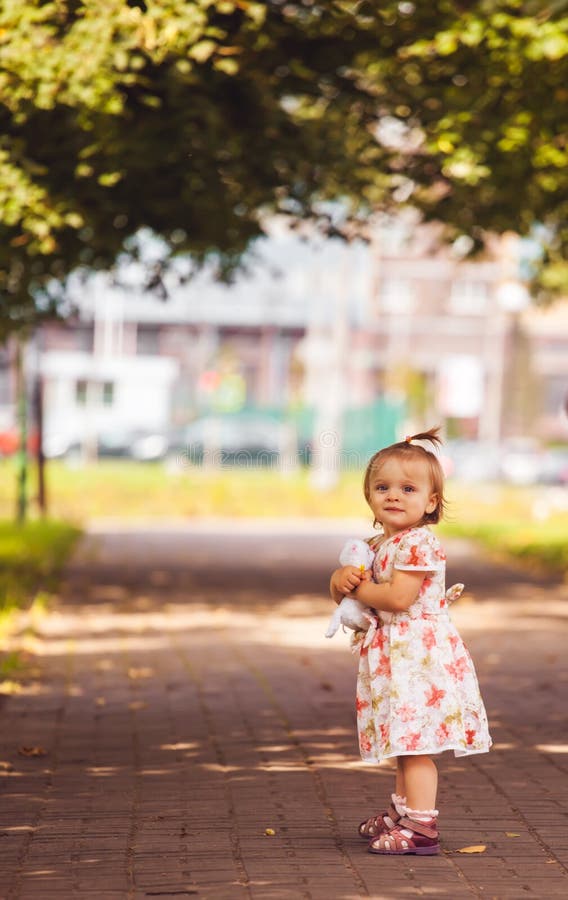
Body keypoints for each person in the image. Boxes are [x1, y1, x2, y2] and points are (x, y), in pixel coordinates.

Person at [329, 427, 491, 856]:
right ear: (369, 496)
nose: (394, 496)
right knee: (403, 738)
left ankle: (421, 827)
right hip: (395, 657)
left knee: (416, 743)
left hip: (420, 658)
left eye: (408, 488)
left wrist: (356, 591)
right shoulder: (378, 543)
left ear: (431, 502)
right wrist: (338, 580)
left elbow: (399, 598)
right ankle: (403, 811)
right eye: (382, 487)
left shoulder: (419, 543)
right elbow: (350, 591)